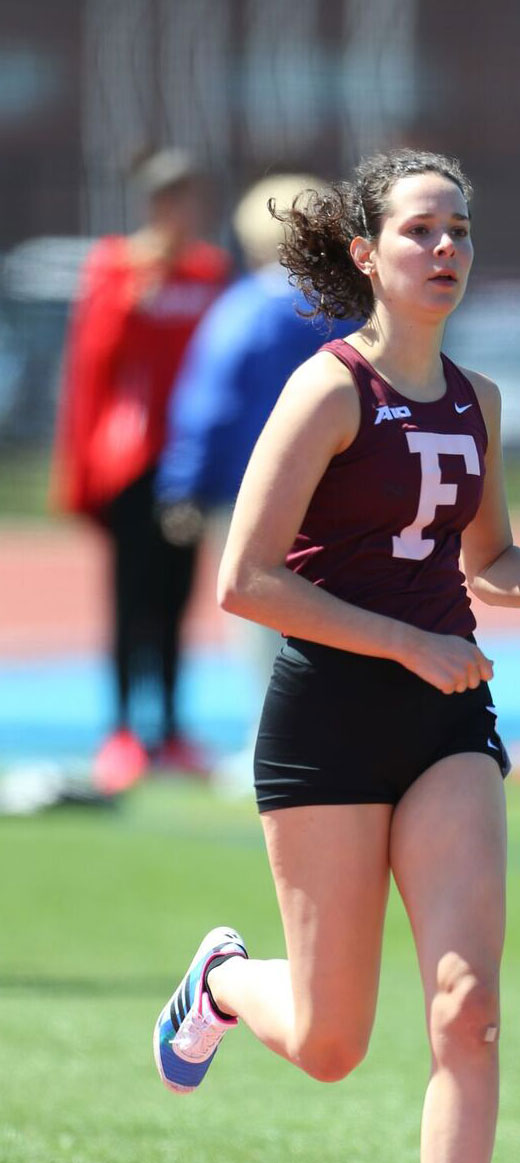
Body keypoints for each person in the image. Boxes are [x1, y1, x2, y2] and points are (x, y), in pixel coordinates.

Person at [152, 148, 520, 1163]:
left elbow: (485, 561)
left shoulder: (478, 400)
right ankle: (223, 986)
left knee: (469, 1008)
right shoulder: (326, 390)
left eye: (461, 229)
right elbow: (247, 581)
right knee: (333, 1043)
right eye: (421, 230)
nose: (447, 249)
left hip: (447, 724)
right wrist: (407, 641)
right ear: (366, 253)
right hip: (329, 724)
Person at [155, 174, 355, 792]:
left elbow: (208, 406)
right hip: (345, 490)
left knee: (261, 625)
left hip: (255, 495)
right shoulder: (355, 309)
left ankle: (274, 745)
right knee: (344, 618)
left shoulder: (244, 309)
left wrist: (182, 486)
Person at [52, 149, 231, 793]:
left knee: (179, 596)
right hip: (130, 461)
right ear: (152, 204)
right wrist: (134, 298)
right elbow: (93, 361)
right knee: (131, 599)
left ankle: (174, 731)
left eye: (191, 198)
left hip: (188, 464)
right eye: (170, 198)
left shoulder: (210, 273)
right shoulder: (115, 266)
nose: (182, 211)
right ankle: (124, 729)